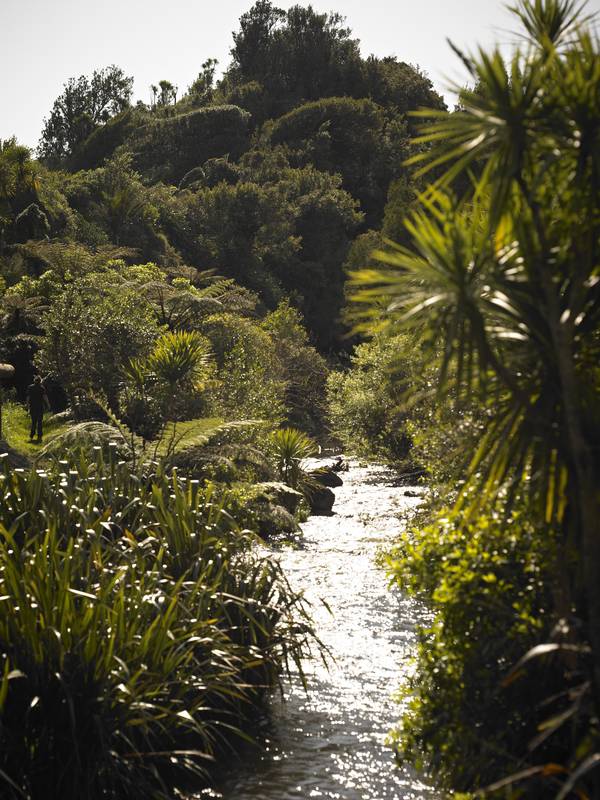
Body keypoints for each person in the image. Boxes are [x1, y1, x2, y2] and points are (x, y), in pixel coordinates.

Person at [27, 375, 48, 442]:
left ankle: (31, 436)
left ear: (34, 380)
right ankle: (39, 436)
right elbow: (45, 397)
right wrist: (48, 404)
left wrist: (27, 405)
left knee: (33, 422)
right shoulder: (42, 388)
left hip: (32, 406)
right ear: (40, 381)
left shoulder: (30, 387)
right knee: (39, 422)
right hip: (40, 407)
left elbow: (28, 397)